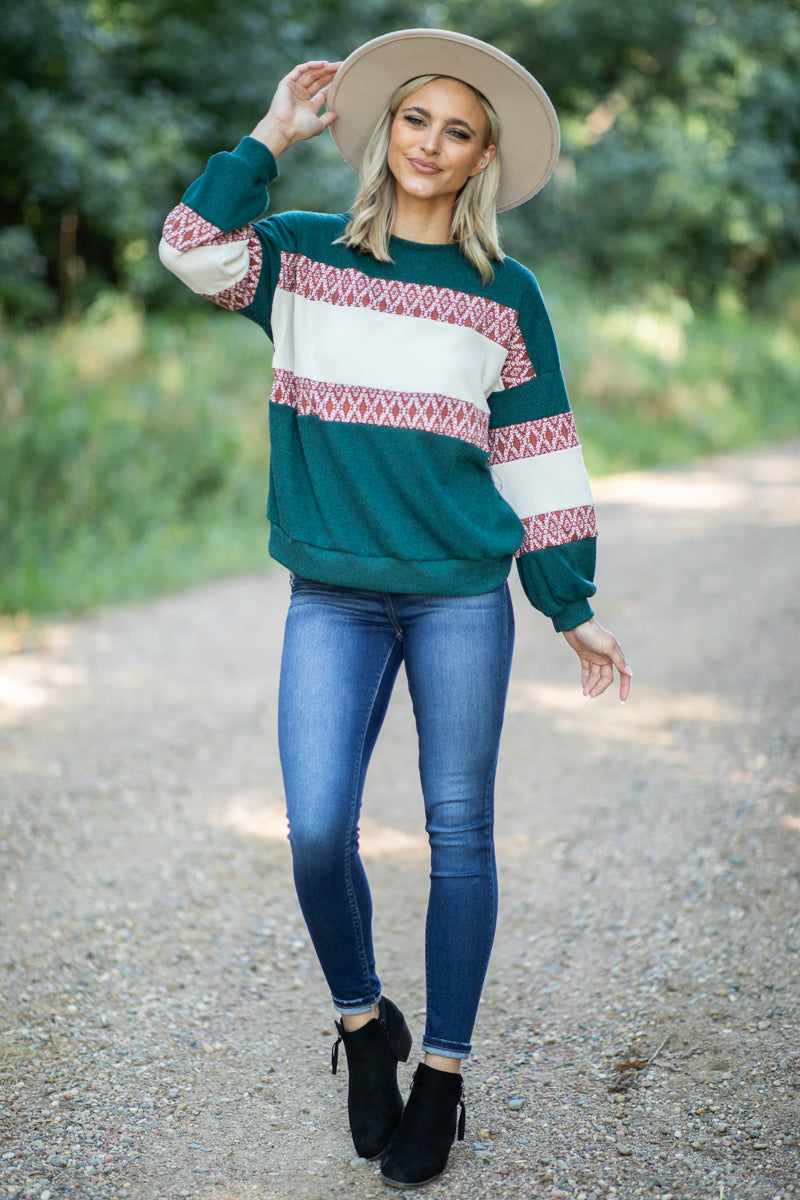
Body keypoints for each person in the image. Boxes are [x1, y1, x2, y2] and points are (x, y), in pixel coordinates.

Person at [159, 28, 632, 1190]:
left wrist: (567, 602)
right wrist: (270, 136)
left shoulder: (504, 295)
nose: (430, 143)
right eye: (415, 118)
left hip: (459, 597)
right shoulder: (301, 256)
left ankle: (444, 1078)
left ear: (480, 159)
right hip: (332, 595)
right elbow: (187, 248)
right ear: (385, 131)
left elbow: (536, 451)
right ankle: (364, 1024)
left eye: (456, 131)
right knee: (318, 830)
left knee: (457, 832)